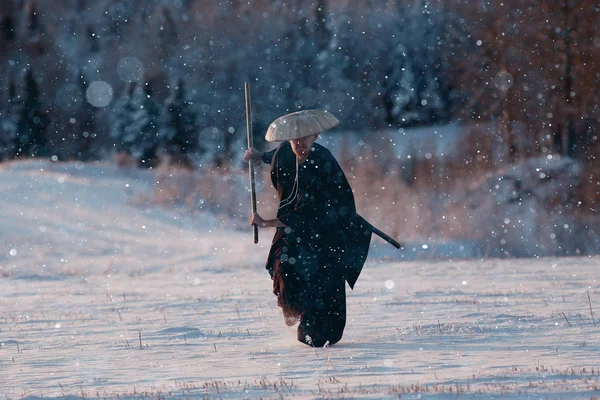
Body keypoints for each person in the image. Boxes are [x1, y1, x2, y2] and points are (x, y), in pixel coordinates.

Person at [243, 109, 372, 347]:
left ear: (316, 136)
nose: (300, 143)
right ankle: (293, 309)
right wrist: (258, 156)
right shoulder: (285, 151)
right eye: (295, 139)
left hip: (326, 232)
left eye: (305, 138)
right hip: (294, 229)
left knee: (319, 281)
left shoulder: (323, 162)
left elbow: (309, 213)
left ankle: (312, 326)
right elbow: (274, 156)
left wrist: (266, 222)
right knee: (283, 266)